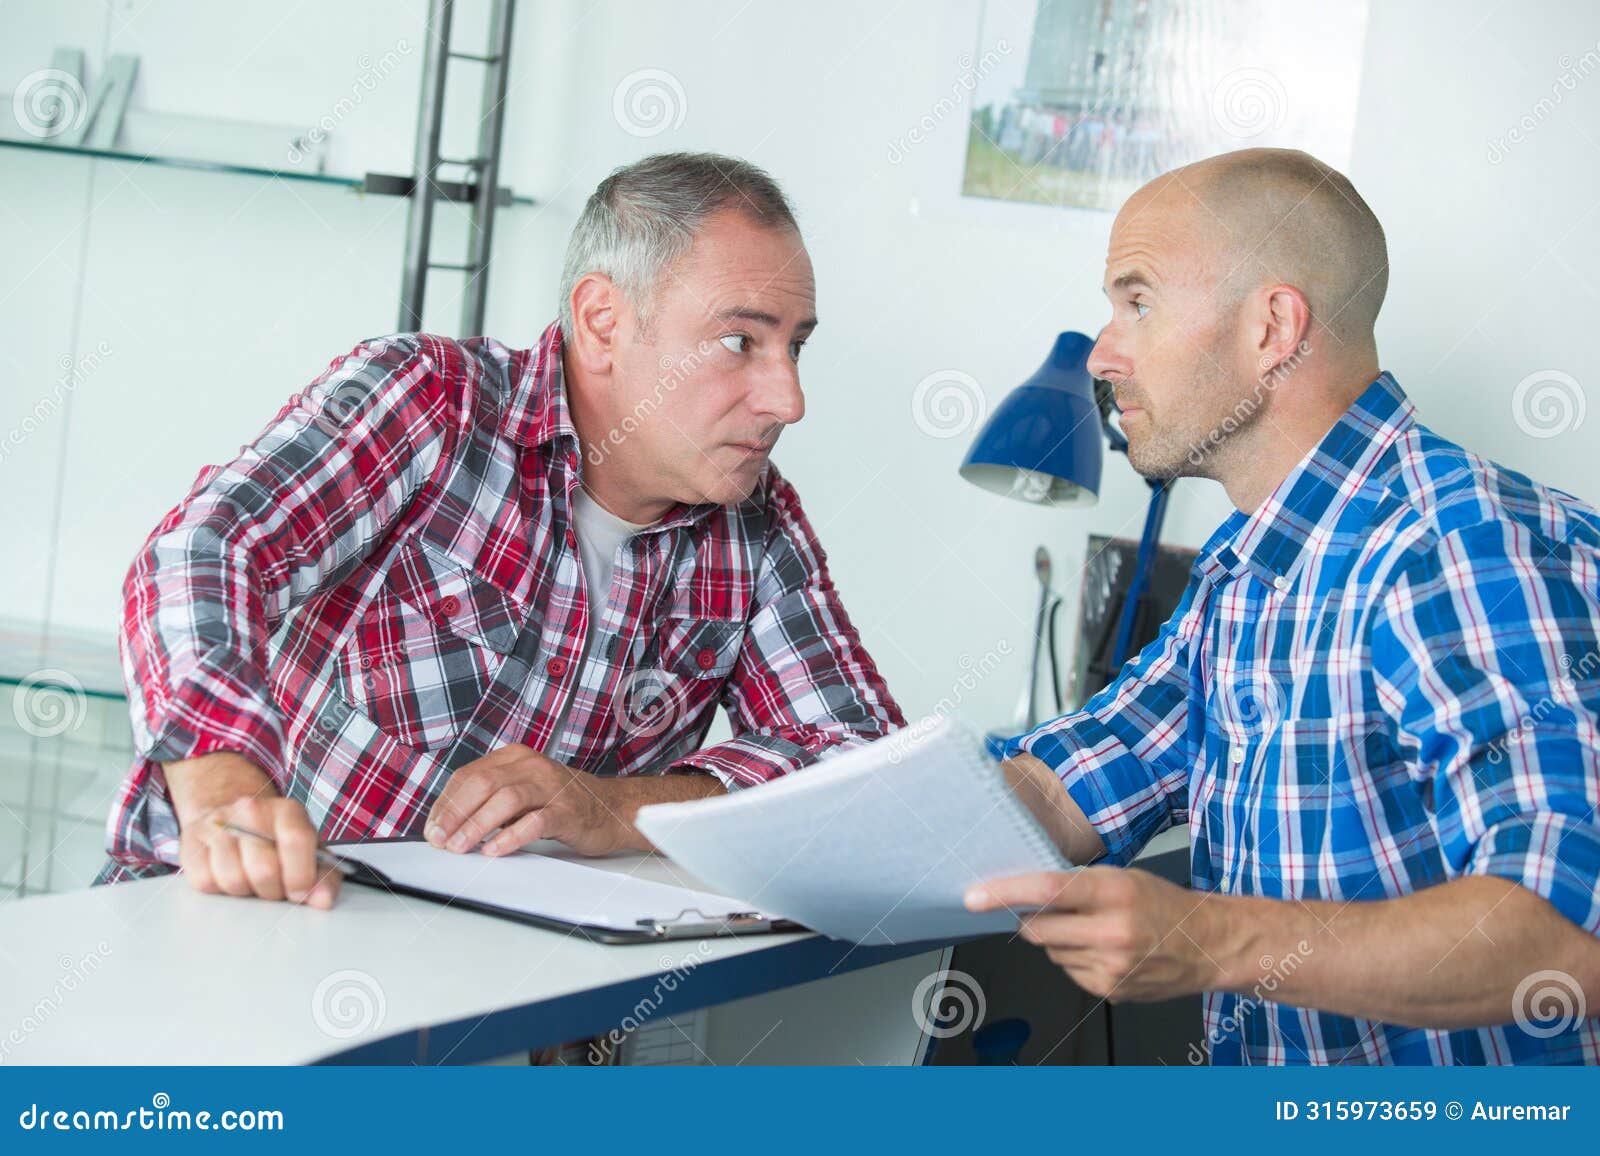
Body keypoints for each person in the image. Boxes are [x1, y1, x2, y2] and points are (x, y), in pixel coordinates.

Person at [97, 152, 903, 909]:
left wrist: (614, 808)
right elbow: (206, 551)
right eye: (741, 341)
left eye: (794, 346)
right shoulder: (429, 401)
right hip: (237, 927)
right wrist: (225, 792)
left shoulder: (757, 523)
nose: (787, 399)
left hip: (488, 1002)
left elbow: (862, 771)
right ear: (602, 323)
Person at [970, 148, 1600, 1064]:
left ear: (1272, 328)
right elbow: (1066, 780)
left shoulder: (1453, 542)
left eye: (1136, 302)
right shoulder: (1254, 566)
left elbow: (1566, 934)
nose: (1103, 354)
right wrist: (794, 830)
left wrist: (1210, 940)